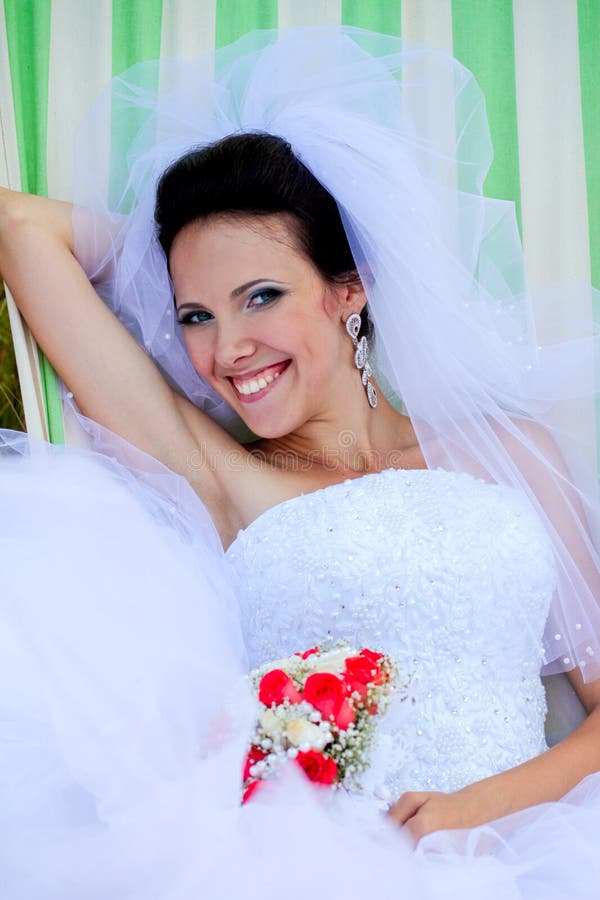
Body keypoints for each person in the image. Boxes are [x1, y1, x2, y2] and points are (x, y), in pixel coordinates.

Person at [1, 24, 600, 899]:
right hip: (316, 871)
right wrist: (203, 244)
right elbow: (20, 229)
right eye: (195, 314)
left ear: (350, 287)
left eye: (262, 298)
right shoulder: (219, 476)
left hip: (540, 848)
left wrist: (481, 810)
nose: (227, 349)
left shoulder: (511, 452)